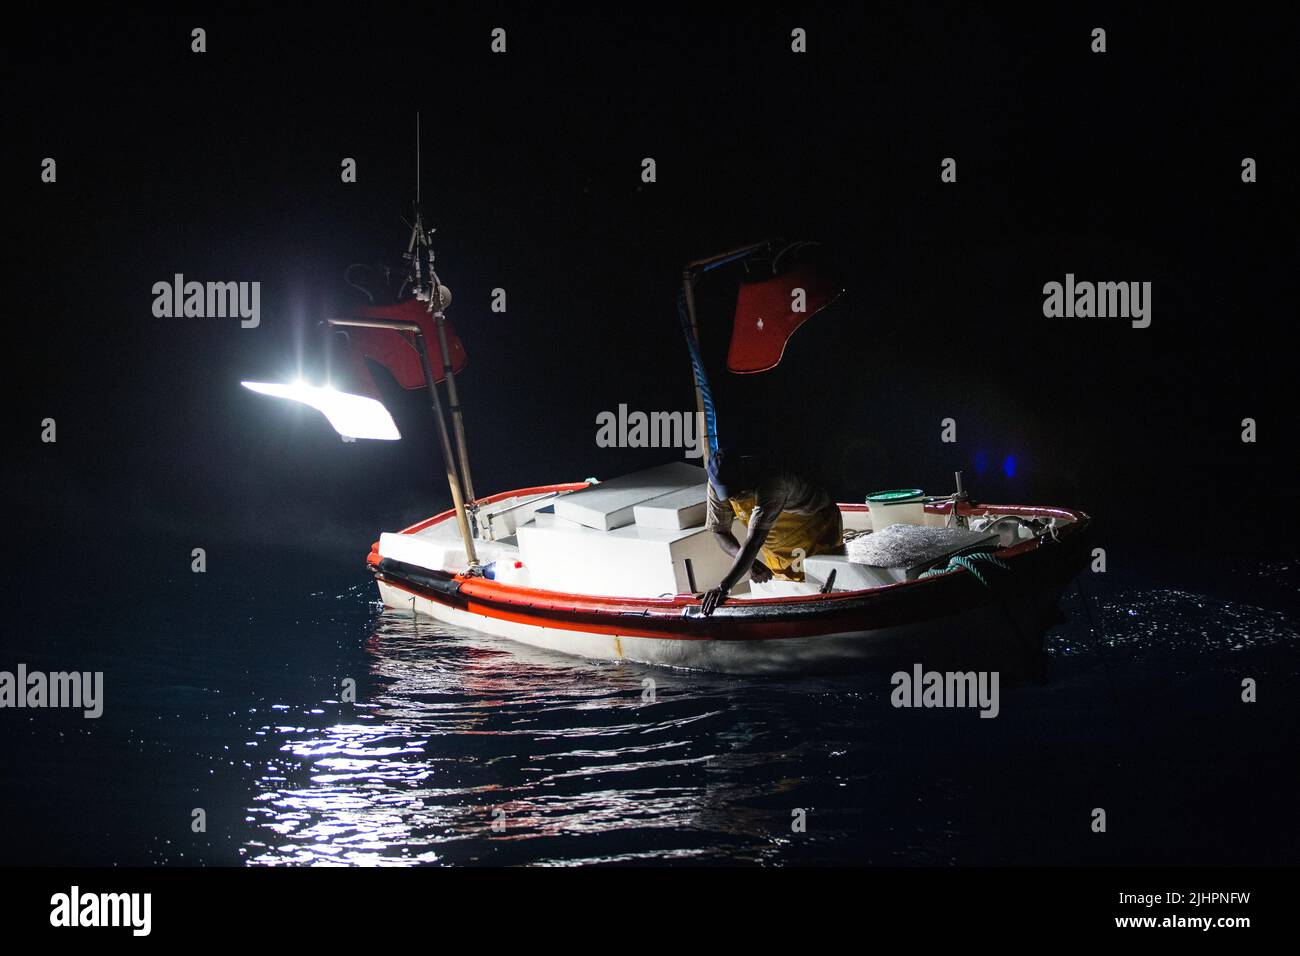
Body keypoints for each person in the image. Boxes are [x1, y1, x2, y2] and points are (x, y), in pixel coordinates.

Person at [700, 450, 844, 616]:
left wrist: (723, 587)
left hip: (814, 527)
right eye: (728, 495)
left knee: (821, 590)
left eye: (738, 490)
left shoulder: (773, 480)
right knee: (788, 590)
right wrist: (749, 561)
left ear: (744, 470)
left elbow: (754, 541)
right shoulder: (717, 483)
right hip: (774, 538)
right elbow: (719, 530)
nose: (735, 497)